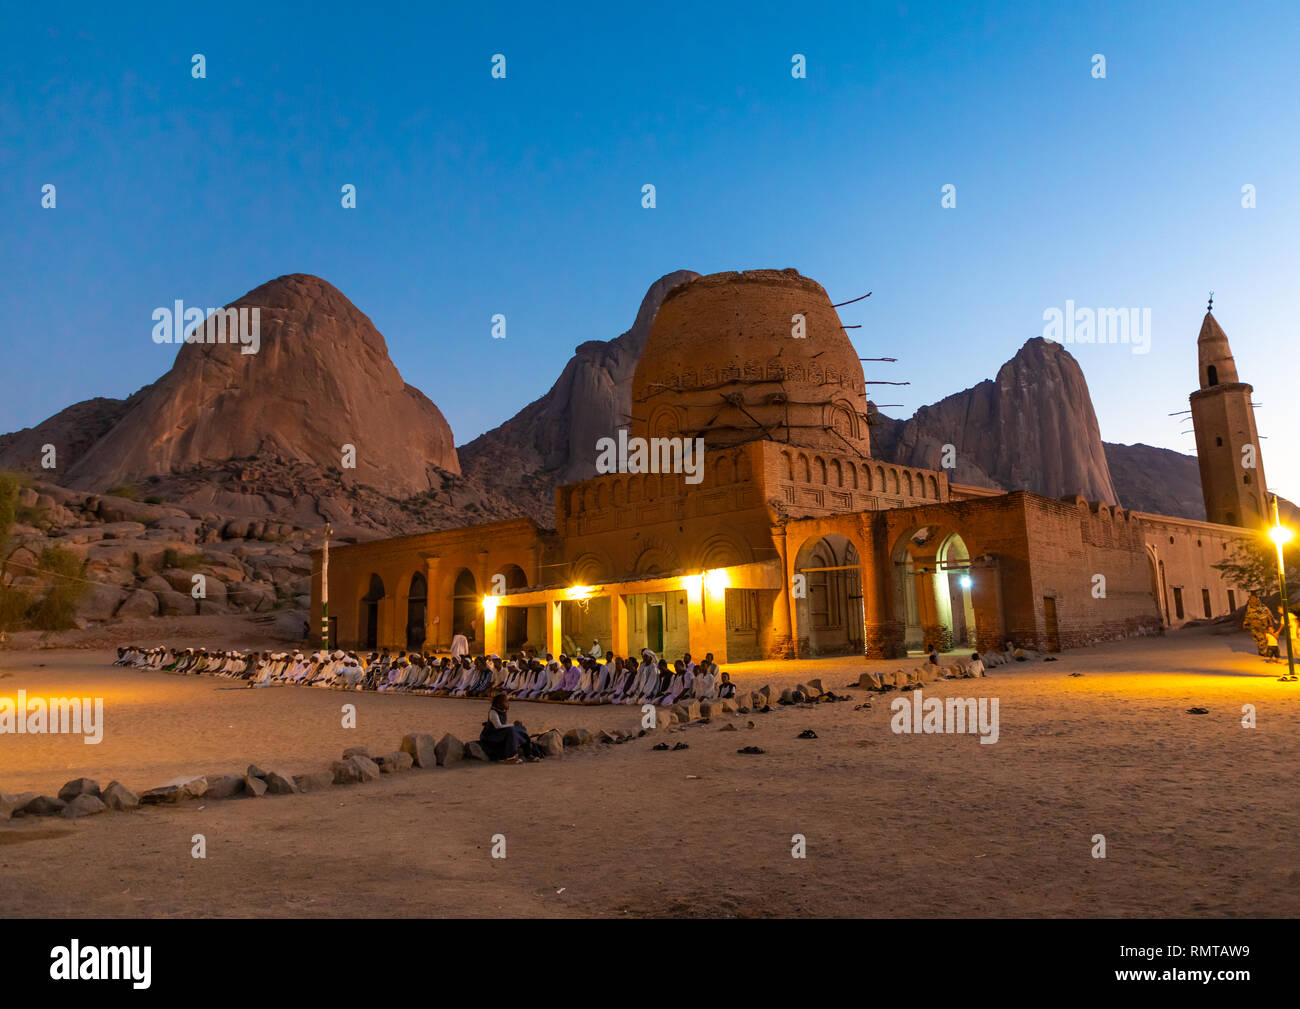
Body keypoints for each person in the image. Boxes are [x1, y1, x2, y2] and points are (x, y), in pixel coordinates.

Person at [479, 693, 540, 763]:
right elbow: (498, 726)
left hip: (500, 732)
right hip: (492, 736)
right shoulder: (493, 712)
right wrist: (513, 724)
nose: (508, 703)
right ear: (499, 704)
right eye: (506, 702)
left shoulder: (502, 710)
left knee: (521, 728)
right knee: (511, 730)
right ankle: (510, 757)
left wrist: (515, 726)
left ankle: (528, 754)